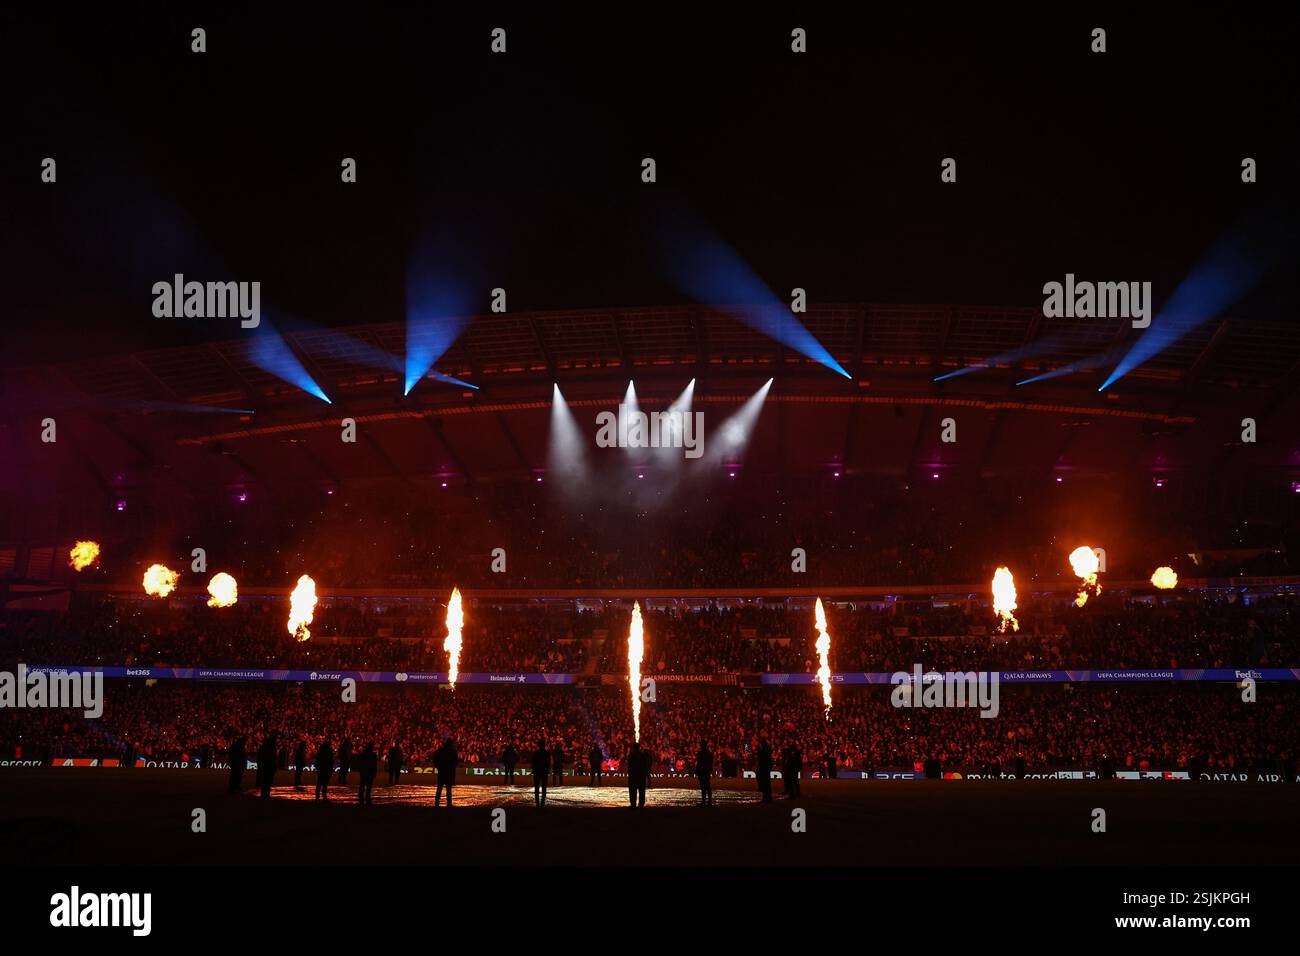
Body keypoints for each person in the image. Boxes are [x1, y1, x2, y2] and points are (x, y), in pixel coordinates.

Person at [435, 737, 458, 807]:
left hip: (442, 771)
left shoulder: (440, 750)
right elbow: (455, 762)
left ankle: (436, 802)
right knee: (448, 789)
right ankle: (449, 803)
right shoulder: (452, 751)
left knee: (439, 788)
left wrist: (438, 767)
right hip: (449, 772)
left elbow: (434, 758)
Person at [626, 741, 648, 808]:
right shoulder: (642, 755)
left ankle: (633, 804)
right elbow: (645, 764)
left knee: (633, 790)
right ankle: (641, 804)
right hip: (640, 775)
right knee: (641, 790)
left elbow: (629, 765)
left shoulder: (631, 755)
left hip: (633, 775)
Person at [256, 732, 277, 799]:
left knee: (265, 780)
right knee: (267, 780)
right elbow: (273, 757)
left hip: (265, 765)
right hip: (268, 765)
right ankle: (266, 793)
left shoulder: (264, 747)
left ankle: (264, 793)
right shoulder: (271, 747)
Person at [532, 739, 551, 807]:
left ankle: (537, 803)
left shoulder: (536, 753)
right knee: (544, 788)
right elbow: (548, 763)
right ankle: (542, 803)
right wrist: (547, 769)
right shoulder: (546, 753)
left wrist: (534, 770)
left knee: (537, 787)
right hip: (544, 771)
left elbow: (533, 762)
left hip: (537, 771)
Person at [696, 740, 714, 806]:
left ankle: (704, 801)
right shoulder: (709, 753)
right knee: (707, 785)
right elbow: (711, 763)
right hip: (707, 771)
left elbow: (699, 763)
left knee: (703, 786)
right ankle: (709, 801)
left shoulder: (701, 753)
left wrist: (697, 770)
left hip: (702, 770)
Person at [756, 738, 773, 803]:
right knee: (767, 783)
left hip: (764, 768)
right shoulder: (767, 750)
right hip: (766, 768)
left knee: (765, 783)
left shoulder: (764, 751)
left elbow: (761, 757)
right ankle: (767, 797)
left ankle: (766, 797)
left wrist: (759, 749)